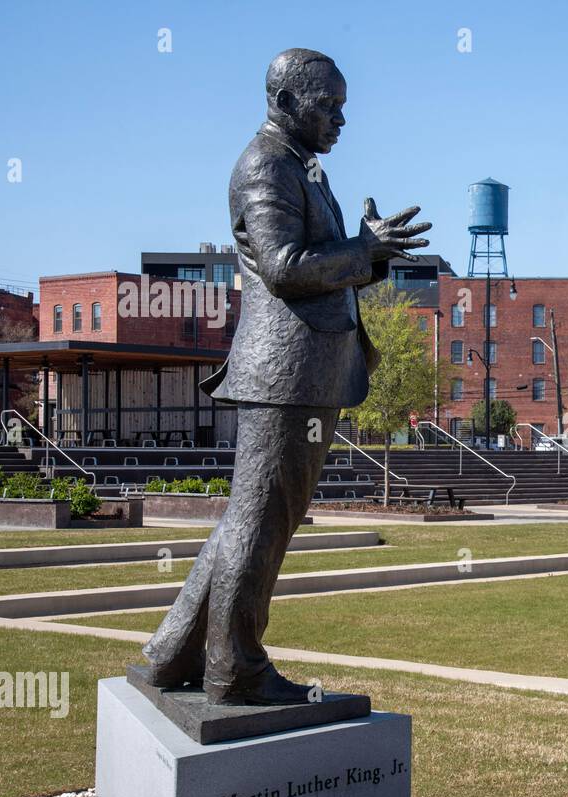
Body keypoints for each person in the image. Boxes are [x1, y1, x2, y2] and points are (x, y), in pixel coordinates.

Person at [141, 49, 430, 705]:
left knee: (258, 517)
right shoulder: (264, 165)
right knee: (261, 520)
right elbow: (284, 265)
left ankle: (171, 654)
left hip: (307, 371)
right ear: (286, 103)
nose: (341, 118)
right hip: (285, 374)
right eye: (329, 105)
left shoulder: (301, 165)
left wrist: (367, 252)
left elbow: (319, 262)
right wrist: (364, 251)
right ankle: (235, 668)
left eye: (343, 104)